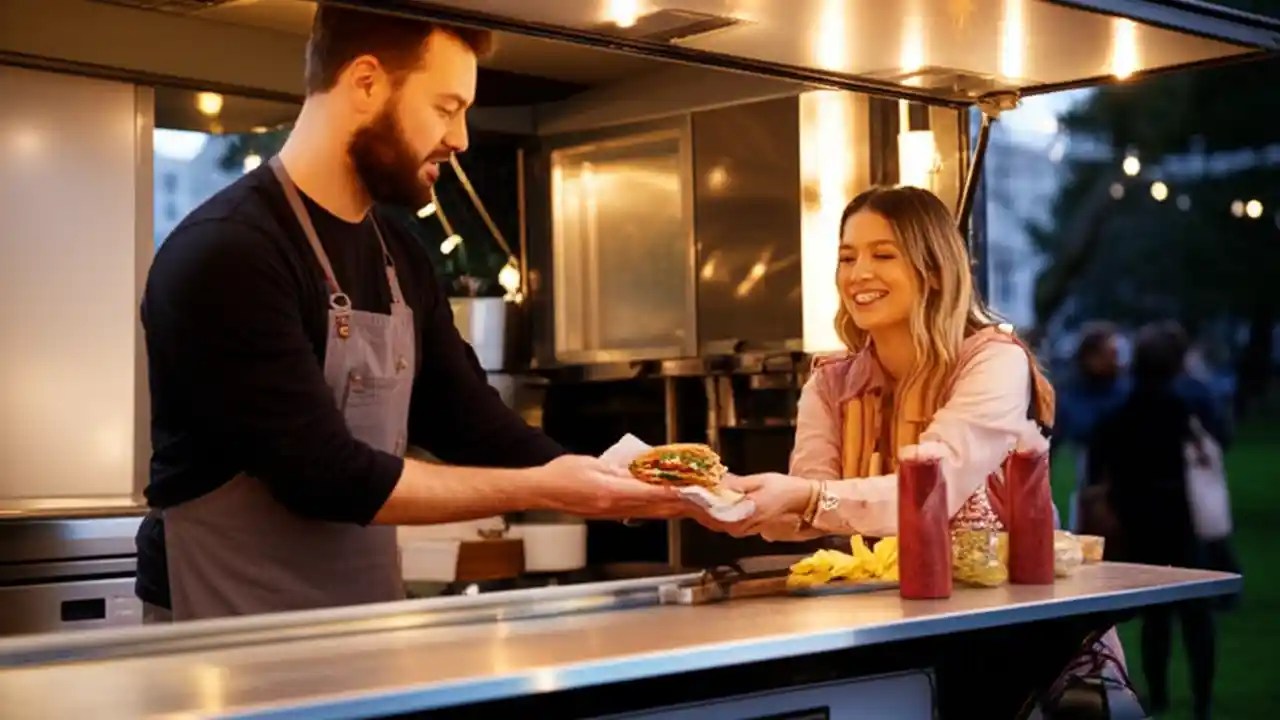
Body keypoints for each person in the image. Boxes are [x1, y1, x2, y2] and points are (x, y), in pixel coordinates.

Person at [137, 5, 682, 622]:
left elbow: (469, 421)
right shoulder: (228, 251)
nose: (461, 138)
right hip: (221, 633)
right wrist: (549, 489)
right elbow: (322, 474)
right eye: (446, 108)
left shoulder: (398, 254)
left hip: (361, 624)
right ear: (366, 83)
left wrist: (620, 480)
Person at [701, 186, 1138, 715]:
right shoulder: (829, 383)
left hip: (1026, 642)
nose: (859, 273)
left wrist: (804, 497)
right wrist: (733, 503)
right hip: (899, 635)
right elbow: (809, 508)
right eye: (847, 257)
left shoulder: (994, 362)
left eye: (883, 255)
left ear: (933, 271)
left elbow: (931, 490)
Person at [1088, 322, 1220, 720]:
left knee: (1155, 615)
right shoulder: (1185, 409)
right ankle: (1202, 699)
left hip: (1138, 521)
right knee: (1197, 616)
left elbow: (1098, 467)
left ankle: (1158, 693)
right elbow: (1219, 441)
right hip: (1182, 518)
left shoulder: (1119, 412)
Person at [1058, 321, 1130, 532]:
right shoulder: (1071, 395)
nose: (1115, 360)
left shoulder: (1125, 391)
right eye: (1109, 354)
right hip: (1085, 480)